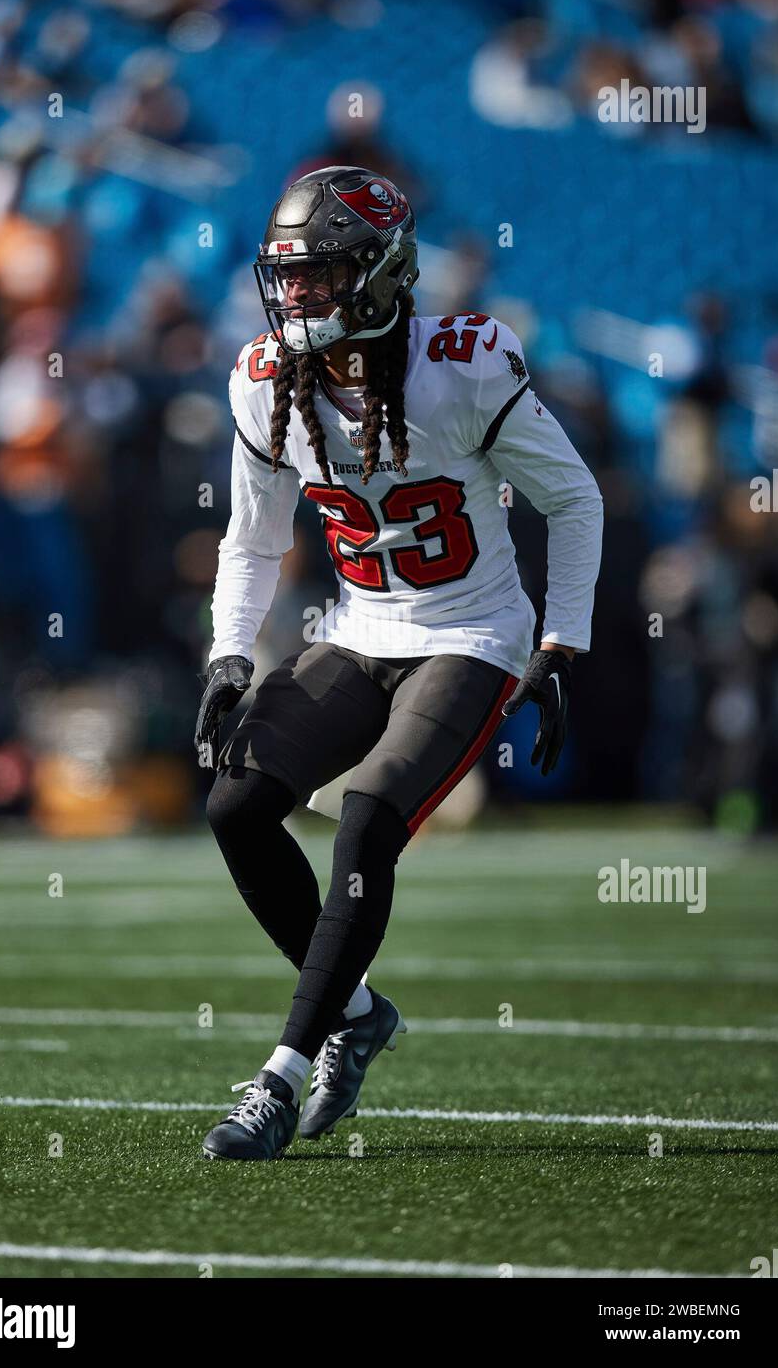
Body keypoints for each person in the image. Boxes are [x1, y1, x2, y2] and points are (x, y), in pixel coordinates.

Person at [196, 166, 603, 1160]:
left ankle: (280, 1077)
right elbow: (250, 544)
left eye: (318, 276)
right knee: (234, 804)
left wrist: (560, 641)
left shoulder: (459, 365)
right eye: (285, 279)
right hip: (358, 625)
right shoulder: (263, 382)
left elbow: (573, 499)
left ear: (379, 274)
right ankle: (360, 1011)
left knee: (367, 814)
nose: (294, 298)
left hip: (469, 632)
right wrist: (227, 655)